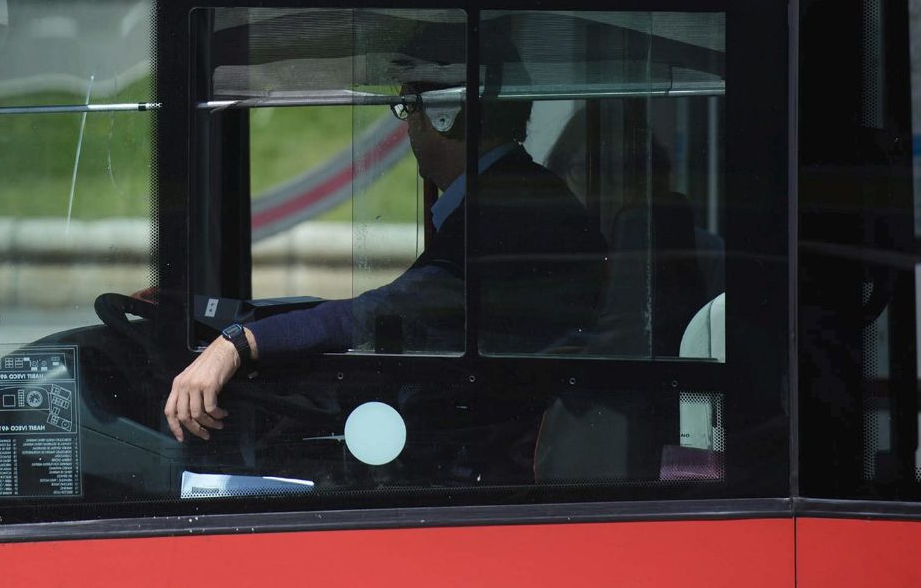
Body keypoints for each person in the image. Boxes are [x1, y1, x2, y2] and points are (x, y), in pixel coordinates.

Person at [163, 67, 608, 483]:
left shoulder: (508, 211)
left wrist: (238, 343)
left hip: (490, 461)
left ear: (444, 116)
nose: (407, 126)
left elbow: (390, 310)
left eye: (408, 108)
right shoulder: (522, 192)